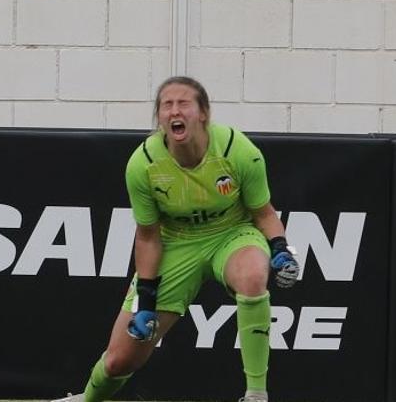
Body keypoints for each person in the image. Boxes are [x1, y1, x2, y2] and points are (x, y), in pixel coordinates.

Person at [56, 76, 298, 402]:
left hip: (232, 234)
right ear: (159, 117)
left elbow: (264, 214)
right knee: (118, 361)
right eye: (166, 105)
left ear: (203, 113)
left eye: (183, 103)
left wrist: (280, 249)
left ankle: (256, 394)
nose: (174, 111)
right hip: (176, 245)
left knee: (254, 275)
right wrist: (146, 300)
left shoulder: (238, 151)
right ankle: (86, 399)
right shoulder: (143, 164)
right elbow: (148, 237)